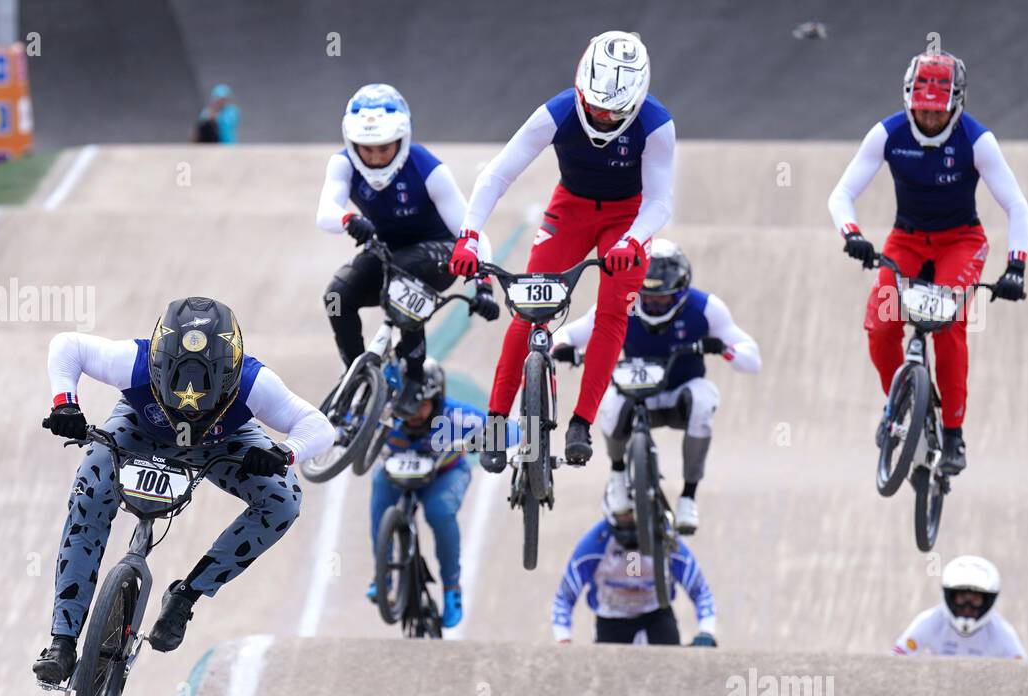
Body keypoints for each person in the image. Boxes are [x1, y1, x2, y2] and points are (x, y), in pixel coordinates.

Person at [31, 297, 334, 684]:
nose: (187, 409)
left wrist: (283, 454)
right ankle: (62, 639)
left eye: (201, 402)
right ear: (157, 367)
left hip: (223, 442)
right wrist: (65, 405)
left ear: (231, 377)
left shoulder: (256, 384)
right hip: (139, 429)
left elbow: (318, 426)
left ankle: (186, 596)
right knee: (90, 494)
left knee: (283, 501)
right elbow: (66, 346)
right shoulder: (133, 361)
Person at [447, 30, 676, 469]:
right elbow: (497, 175)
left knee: (613, 311)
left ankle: (580, 424)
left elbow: (660, 200)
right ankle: (497, 422)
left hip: (627, 218)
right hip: (570, 209)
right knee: (530, 309)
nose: (602, 116)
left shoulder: (656, 124)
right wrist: (470, 235)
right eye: (593, 106)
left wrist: (632, 240)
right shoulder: (557, 112)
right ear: (580, 87)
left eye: (613, 112)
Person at [828, 49, 1028, 475]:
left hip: (960, 241)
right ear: (908, 101)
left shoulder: (977, 141)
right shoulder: (888, 135)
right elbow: (841, 193)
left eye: (939, 113)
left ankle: (954, 434)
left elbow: (1017, 206)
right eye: (922, 111)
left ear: (957, 105)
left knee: (949, 328)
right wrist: (853, 234)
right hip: (905, 241)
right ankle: (896, 410)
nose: (930, 120)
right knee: (881, 327)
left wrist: (1016, 266)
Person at [553, 240, 760, 533]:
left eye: (663, 298)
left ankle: (688, 497)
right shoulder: (620, 304)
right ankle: (617, 474)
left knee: (703, 400)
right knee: (609, 403)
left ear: (681, 292)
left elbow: (753, 359)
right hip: (637, 394)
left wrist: (725, 349)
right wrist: (560, 347)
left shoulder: (706, 308)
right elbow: (573, 332)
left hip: (681, 395)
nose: (654, 304)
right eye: (648, 297)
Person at [317, 84, 498, 417]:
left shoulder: (428, 168)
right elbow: (324, 212)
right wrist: (348, 218)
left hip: (440, 255)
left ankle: (414, 375)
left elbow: (473, 233)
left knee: (406, 272)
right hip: (388, 254)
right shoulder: (342, 164)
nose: (373, 157)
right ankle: (357, 376)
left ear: (402, 140)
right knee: (337, 296)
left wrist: (483, 284)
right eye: (365, 148)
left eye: (383, 148)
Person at [365, 360, 514, 628]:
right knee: (379, 485)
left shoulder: (456, 415)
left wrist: (487, 440)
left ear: (437, 399)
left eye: (421, 405)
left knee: (440, 511)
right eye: (406, 406)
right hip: (396, 474)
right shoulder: (383, 413)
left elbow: (510, 431)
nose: (413, 414)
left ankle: (452, 589)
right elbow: (345, 427)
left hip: (445, 475)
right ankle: (383, 574)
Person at [551, 494, 716, 646]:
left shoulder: (666, 540)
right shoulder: (594, 544)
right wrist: (563, 638)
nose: (630, 526)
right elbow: (564, 598)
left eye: (636, 519)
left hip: (656, 615)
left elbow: (700, 590)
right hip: (611, 620)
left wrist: (706, 631)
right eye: (624, 519)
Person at [892, 555, 1025, 659]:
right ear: (949, 597)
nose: (967, 607)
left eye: (975, 599)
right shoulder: (930, 622)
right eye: (961, 597)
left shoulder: (1001, 633)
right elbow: (898, 657)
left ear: (988, 601)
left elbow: (1023, 672)